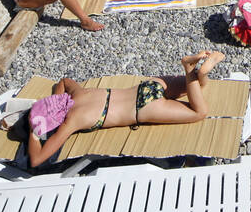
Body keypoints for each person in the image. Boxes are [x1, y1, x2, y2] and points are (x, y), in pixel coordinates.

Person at [28, 52, 225, 168]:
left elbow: (36, 159)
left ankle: (191, 69)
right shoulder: (78, 92)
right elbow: (63, 81)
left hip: (144, 107)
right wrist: (54, 99)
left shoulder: (71, 121)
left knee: (198, 112)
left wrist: (34, 132)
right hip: (148, 86)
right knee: (198, 87)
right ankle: (199, 72)